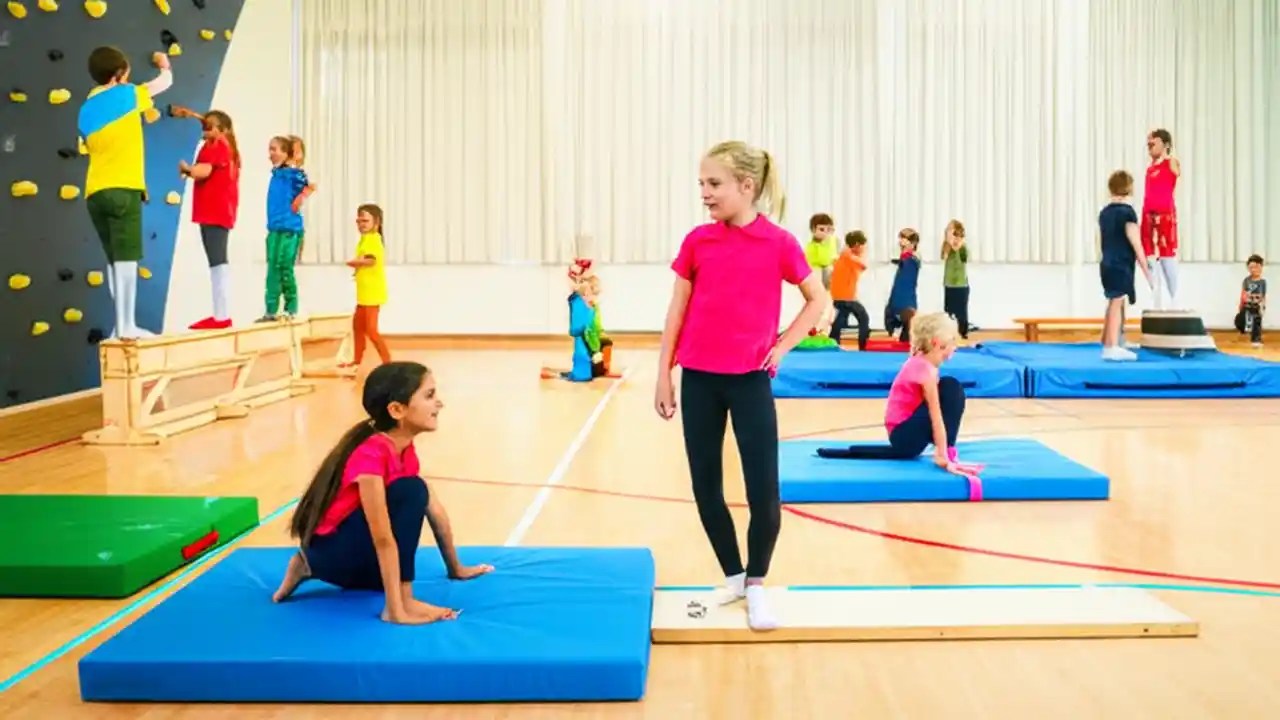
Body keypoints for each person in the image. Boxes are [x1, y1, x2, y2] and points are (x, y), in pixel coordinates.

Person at [654, 140, 827, 631]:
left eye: (714, 184)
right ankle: (733, 574)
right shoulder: (697, 242)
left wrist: (782, 346)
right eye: (702, 185)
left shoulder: (779, 244)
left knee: (762, 492)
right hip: (699, 380)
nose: (705, 194)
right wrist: (664, 372)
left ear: (746, 186)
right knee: (705, 486)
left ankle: (757, 583)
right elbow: (677, 310)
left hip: (750, 381)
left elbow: (818, 300)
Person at [272, 361, 493, 624]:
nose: (439, 404)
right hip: (336, 555)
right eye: (429, 395)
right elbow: (383, 537)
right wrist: (398, 606)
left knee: (415, 490)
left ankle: (306, 565)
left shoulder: (404, 450)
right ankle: (316, 563)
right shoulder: (370, 455)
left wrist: (456, 568)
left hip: (354, 562)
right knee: (411, 490)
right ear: (397, 410)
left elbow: (436, 513)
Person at [78, 46, 173, 339]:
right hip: (123, 187)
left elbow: (84, 147)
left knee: (113, 259)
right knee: (127, 258)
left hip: (95, 191)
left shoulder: (85, 109)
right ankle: (126, 326)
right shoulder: (127, 94)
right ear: (119, 74)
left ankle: (120, 324)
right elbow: (164, 82)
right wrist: (163, 63)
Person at [816, 313, 976, 473]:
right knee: (952, 388)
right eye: (952, 342)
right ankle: (947, 450)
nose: (955, 347)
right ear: (937, 343)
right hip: (904, 437)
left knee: (949, 387)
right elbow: (936, 415)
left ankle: (947, 448)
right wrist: (943, 454)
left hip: (904, 434)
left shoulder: (923, 360)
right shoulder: (925, 370)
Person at [174, 108, 241, 330]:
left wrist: (187, 169)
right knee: (216, 260)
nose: (205, 128)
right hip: (213, 210)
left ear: (221, 129)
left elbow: (204, 171)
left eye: (210, 125)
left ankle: (222, 316)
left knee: (217, 261)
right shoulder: (217, 146)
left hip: (215, 211)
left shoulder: (219, 146)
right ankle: (220, 314)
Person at [1099, 170, 1154, 361]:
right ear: (1129, 188)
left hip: (1107, 263)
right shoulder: (1127, 213)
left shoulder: (1105, 212)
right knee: (1116, 302)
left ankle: (1113, 339)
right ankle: (1111, 346)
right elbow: (1136, 243)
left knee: (1115, 301)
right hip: (1120, 264)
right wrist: (1147, 269)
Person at [258, 136, 313, 322]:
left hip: (290, 229)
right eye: (270, 149)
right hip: (274, 229)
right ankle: (270, 311)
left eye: (275, 149)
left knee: (285, 268)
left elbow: (310, 185)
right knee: (272, 269)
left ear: (287, 154)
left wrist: (302, 197)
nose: (271, 154)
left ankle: (291, 308)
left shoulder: (293, 174)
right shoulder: (276, 174)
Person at [341, 203, 392, 368]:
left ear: (376, 222)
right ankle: (356, 360)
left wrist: (355, 262)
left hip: (372, 294)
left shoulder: (373, 239)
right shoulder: (365, 239)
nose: (361, 225)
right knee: (357, 327)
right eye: (358, 221)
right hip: (364, 294)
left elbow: (371, 260)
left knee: (371, 330)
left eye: (365, 221)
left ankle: (387, 362)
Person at [1142, 129, 1181, 309]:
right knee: (1149, 256)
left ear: (1165, 144)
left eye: (1153, 143)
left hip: (1165, 215)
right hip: (1148, 215)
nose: (1150, 147)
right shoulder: (1150, 168)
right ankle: (1157, 299)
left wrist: (1168, 156)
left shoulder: (1170, 163)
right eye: (1148, 144)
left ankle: (1175, 300)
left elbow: (1176, 171)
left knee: (1167, 256)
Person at [829, 230, 870, 349]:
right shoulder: (849, 256)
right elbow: (864, 266)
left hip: (839, 295)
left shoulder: (844, 256)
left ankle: (833, 341)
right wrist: (859, 254)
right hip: (846, 296)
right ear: (857, 245)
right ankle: (863, 345)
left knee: (842, 318)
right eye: (863, 246)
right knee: (863, 317)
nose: (864, 249)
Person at [886, 228, 922, 342]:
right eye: (900, 238)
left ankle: (905, 337)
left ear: (912, 243)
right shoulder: (905, 257)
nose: (901, 241)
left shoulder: (912, 258)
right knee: (890, 315)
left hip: (906, 296)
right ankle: (901, 335)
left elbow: (910, 264)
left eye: (904, 239)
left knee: (907, 319)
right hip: (899, 293)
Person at [940, 220, 970, 339]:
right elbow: (944, 256)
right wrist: (948, 242)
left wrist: (957, 242)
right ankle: (949, 332)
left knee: (961, 311)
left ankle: (963, 332)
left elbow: (964, 258)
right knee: (949, 311)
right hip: (949, 284)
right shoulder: (946, 246)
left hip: (961, 285)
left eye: (951, 230)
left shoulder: (963, 246)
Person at [1235, 254, 1267, 347]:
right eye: (1251, 267)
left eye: (1256, 267)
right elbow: (1243, 293)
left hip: (1256, 305)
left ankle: (1256, 339)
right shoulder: (1247, 280)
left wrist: (1263, 305)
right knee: (1242, 321)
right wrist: (1241, 304)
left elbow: (1263, 295)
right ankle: (1243, 330)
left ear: (1261, 267)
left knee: (1257, 320)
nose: (1253, 270)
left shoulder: (1262, 282)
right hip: (1247, 304)